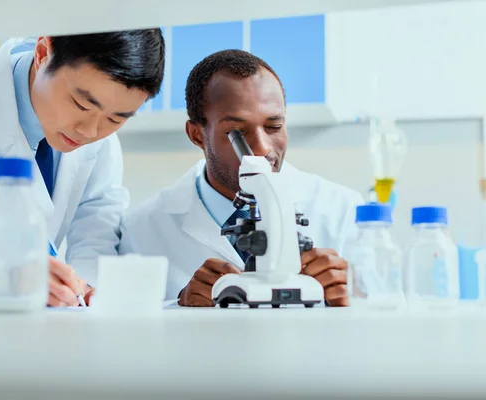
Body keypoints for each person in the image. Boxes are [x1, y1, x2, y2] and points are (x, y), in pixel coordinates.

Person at [118, 49, 362, 307]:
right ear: (197, 135)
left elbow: (389, 321)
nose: (262, 149)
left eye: (274, 127)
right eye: (236, 132)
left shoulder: (343, 211)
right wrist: (178, 306)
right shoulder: (141, 228)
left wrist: (357, 296)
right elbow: (122, 331)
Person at [0, 30, 165, 307]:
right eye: (81, 104)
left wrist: (86, 287)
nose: (90, 131)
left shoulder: (100, 141)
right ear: (43, 53)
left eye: (116, 119)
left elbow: (96, 236)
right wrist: (4, 277)